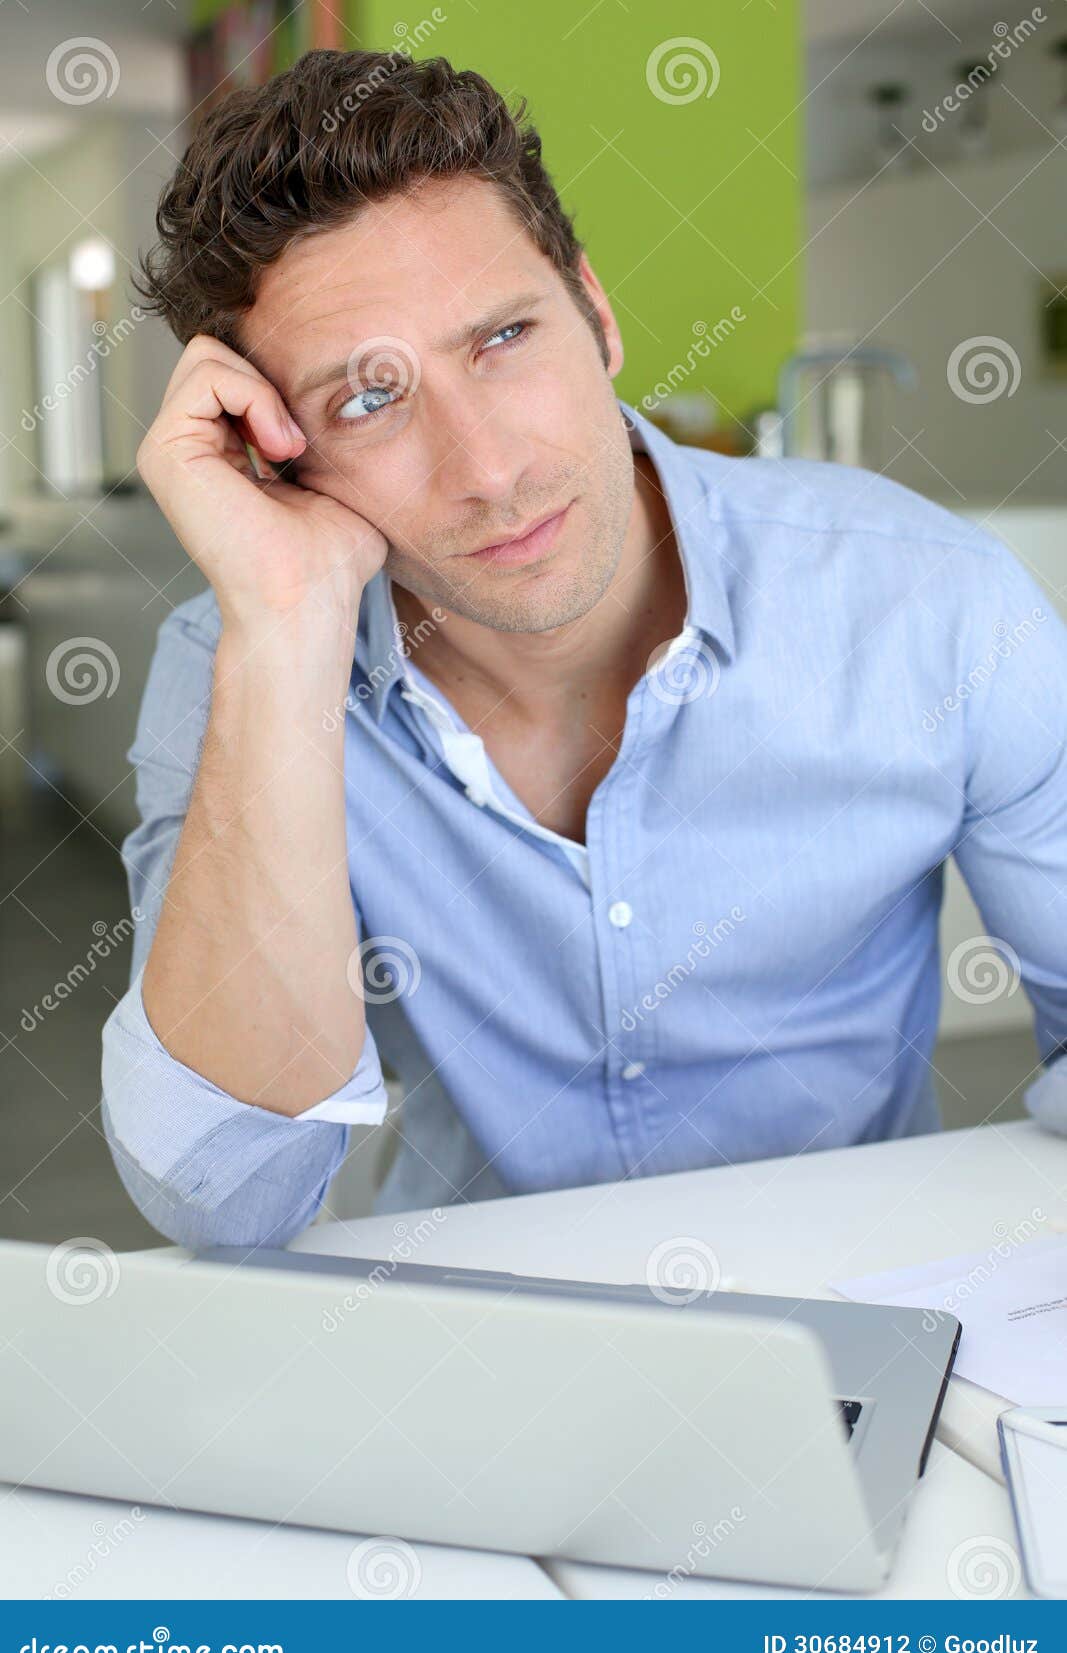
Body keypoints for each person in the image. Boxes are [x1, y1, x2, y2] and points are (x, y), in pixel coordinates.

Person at [101, 48, 1067, 1248]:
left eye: (503, 338)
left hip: (873, 1313)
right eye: (366, 400)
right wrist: (286, 631)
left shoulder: (933, 606)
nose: (489, 471)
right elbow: (224, 1193)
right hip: (483, 1349)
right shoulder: (241, 659)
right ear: (273, 447)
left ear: (595, 315)